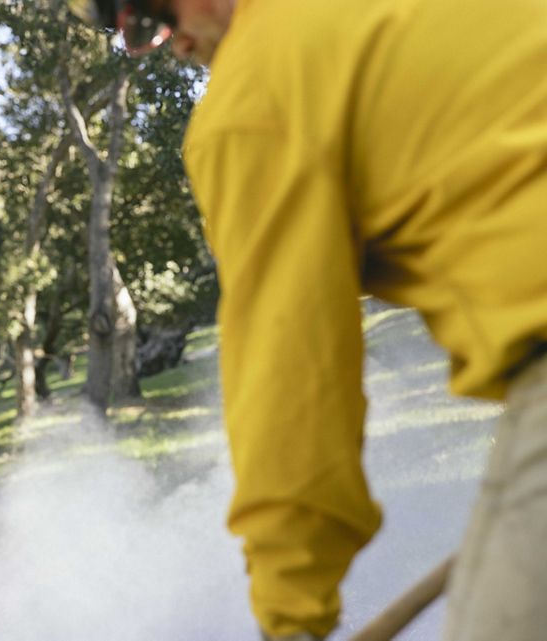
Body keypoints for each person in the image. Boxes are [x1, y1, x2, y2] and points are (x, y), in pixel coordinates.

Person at [69, 1, 547, 640]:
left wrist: (291, 618)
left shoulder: (256, 93)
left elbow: (291, 375)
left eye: (152, 16)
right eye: (137, 32)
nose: (170, 45)